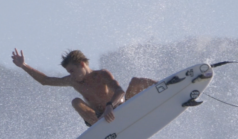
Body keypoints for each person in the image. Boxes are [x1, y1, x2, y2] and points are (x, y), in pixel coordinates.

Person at [11, 48, 155, 126]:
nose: (71, 75)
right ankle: (99, 128)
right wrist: (24, 65)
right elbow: (45, 80)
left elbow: (120, 91)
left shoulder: (102, 75)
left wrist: (110, 106)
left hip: (121, 109)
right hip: (100, 118)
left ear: (82, 64)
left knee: (137, 81)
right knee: (76, 102)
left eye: (72, 71)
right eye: (68, 73)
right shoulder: (73, 81)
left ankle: (171, 85)